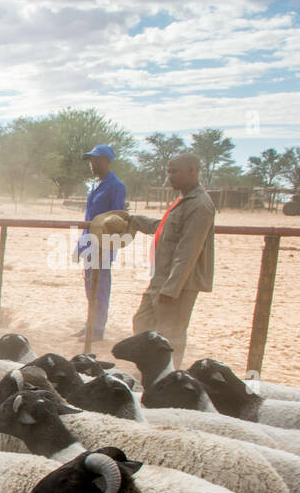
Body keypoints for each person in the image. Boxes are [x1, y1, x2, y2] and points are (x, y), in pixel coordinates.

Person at [125, 153, 215, 367]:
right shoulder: (183, 201)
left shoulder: (200, 205)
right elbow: (165, 229)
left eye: (175, 171)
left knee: (170, 334)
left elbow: (189, 250)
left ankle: (168, 377)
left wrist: (171, 288)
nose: (170, 176)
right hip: (162, 277)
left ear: (194, 171)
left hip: (180, 283)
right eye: (168, 171)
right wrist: (134, 220)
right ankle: (150, 370)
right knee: (143, 322)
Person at [75, 144, 126, 339]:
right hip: (89, 241)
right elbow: (89, 218)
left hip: (103, 244)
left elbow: (116, 218)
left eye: (95, 160)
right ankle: (90, 323)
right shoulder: (95, 185)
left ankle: (97, 329)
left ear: (106, 161)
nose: (92, 164)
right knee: (90, 285)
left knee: (100, 286)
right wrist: (81, 244)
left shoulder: (116, 186)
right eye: (90, 160)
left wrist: (106, 245)